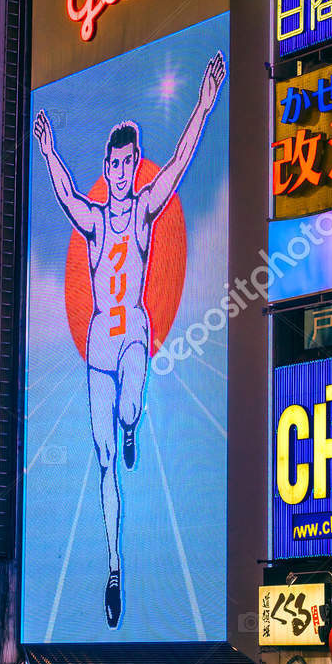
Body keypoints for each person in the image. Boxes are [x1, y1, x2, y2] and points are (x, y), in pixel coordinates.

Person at [31, 50, 226, 628]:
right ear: (107, 164)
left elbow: (182, 165)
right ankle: (115, 566)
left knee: (130, 408)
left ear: (135, 163)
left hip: (134, 336)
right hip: (98, 350)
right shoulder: (94, 221)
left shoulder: (143, 212)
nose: (120, 171)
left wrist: (203, 104)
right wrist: (47, 152)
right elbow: (66, 194)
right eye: (113, 163)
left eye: (128, 161)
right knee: (105, 462)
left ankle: (134, 421)